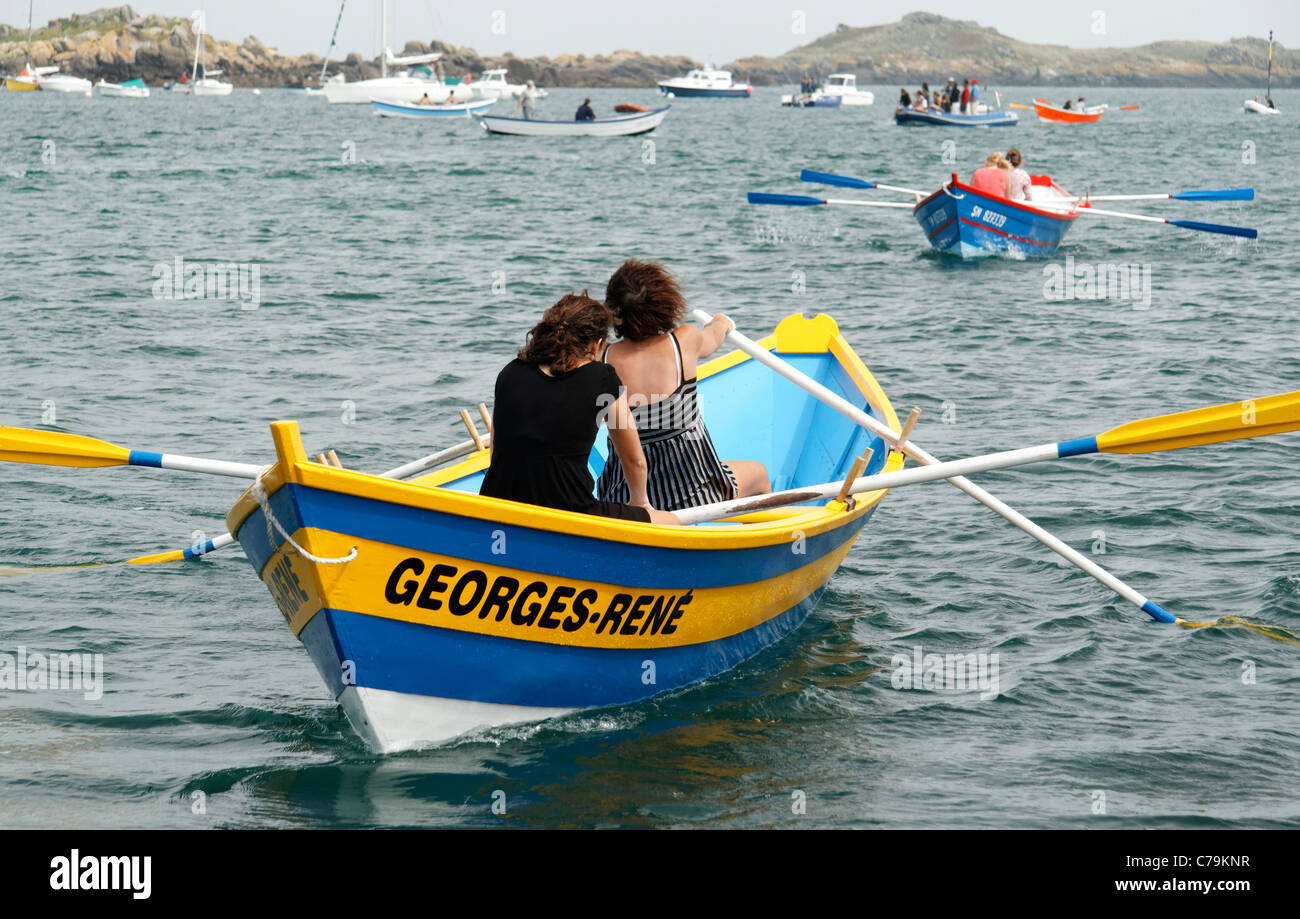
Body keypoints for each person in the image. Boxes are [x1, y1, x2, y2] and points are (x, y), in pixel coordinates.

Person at [480, 292, 680, 526]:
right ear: (596, 345)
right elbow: (634, 459)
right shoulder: (602, 379)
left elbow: (497, 452)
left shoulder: (510, 372)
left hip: (497, 505)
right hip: (569, 511)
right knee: (671, 521)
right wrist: (640, 503)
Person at [596, 259, 770, 512]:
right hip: (696, 494)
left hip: (626, 498)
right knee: (760, 475)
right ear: (666, 303)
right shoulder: (684, 341)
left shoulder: (601, 357)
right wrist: (721, 323)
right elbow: (712, 340)